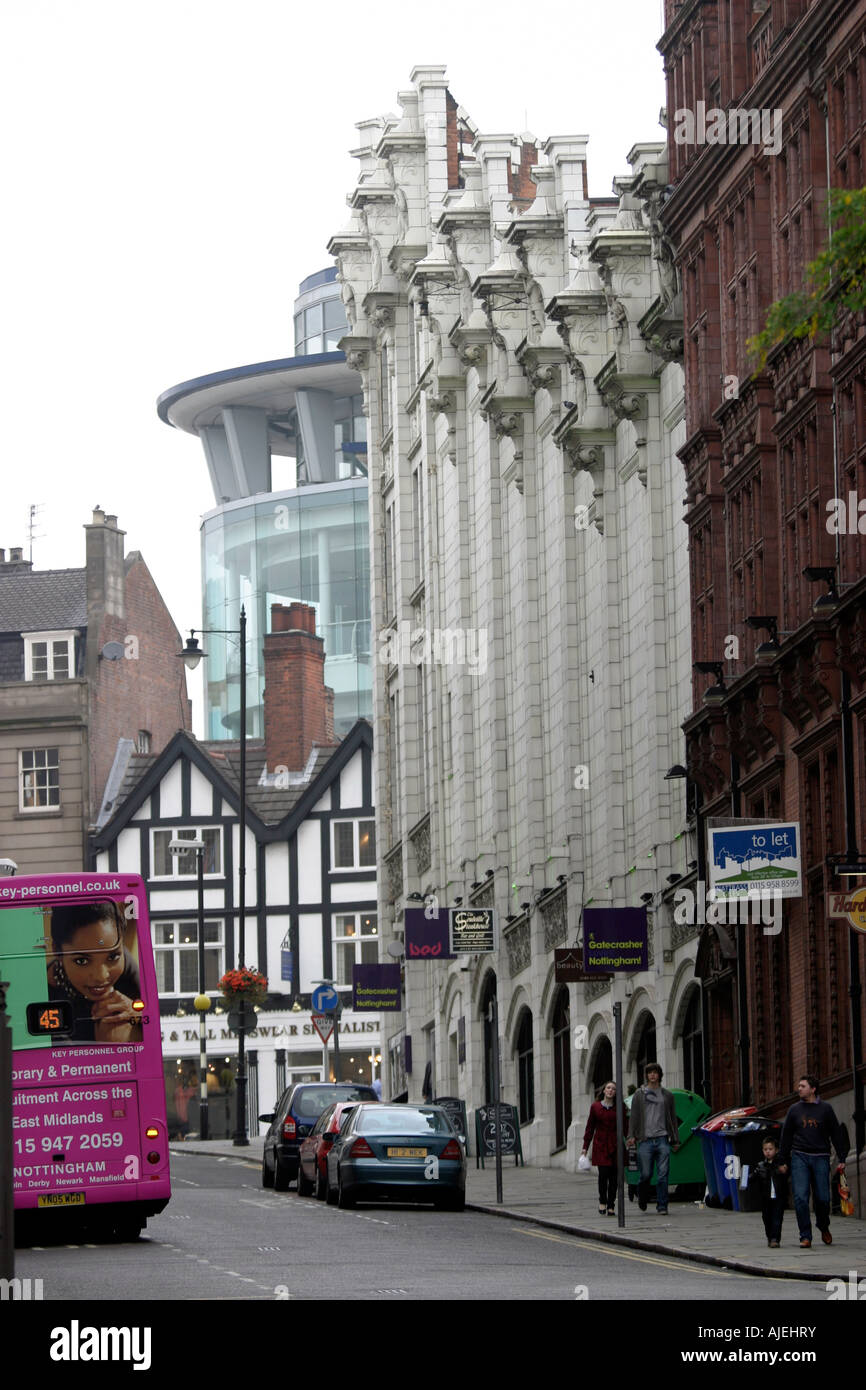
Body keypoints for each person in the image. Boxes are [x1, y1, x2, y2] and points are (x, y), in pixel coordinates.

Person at [48, 900, 142, 1043]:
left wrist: (139, 1014)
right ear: (57, 952)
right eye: (82, 961)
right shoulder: (46, 996)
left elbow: (155, 1018)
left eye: (112, 956)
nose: (101, 976)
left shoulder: (126, 965)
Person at [778, 1075, 848, 1248]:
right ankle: (805, 1236)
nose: (799, 1089)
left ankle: (823, 1226)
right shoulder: (794, 1110)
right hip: (799, 1156)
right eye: (799, 1086)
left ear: (813, 1089)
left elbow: (836, 1133)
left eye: (802, 1086)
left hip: (821, 1157)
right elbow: (785, 1137)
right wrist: (783, 1160)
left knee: (823, 1198)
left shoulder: (825, 1109)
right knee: (801, 1197)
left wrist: (842, 1157)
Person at [626, 1062, 680, 1214]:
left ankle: (662, 1206)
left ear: (659, 1075)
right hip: (645, 1140)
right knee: (646, 1174)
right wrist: (631, 1136)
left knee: (663, 1175)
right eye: (650, 1073)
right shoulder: (639, 1094)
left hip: (663, 1139)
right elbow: (634, 1116)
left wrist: (675, 1139)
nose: (652, 1075)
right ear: (647, 1075)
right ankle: (642, 1196)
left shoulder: (667, 1095)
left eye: (655, 1072)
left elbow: (672, 1119)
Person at [581, 1080, 628, 1215]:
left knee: (614, 1177)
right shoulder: (595, 1107)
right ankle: (602, 1201)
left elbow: (625, 1126)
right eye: (608, 1088)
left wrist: (630, 1139)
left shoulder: (620, 1107)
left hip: (615, 1144)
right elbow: (590, 1128)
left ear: (615, 1093)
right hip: (601, 1145)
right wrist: (585, 1147)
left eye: (613, 1089)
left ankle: (611, 1205)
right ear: (604, 1090)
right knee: (603, 1175)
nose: (610, 1090)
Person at [750, 1136, 788, 1247]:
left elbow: (786, 1175)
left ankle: (775, 1239)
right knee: (766, 1218)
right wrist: (746, 1178)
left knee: (777, 1218)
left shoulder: (781, 1164)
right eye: (765, 1149)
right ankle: (770, 1236)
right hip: (765, 1197)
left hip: (779, 1197)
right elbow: (753, 1176)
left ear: (776, 1150)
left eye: (770, 1149)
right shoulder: (761, 1165)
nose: (768, 1152)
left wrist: (784, 1171)